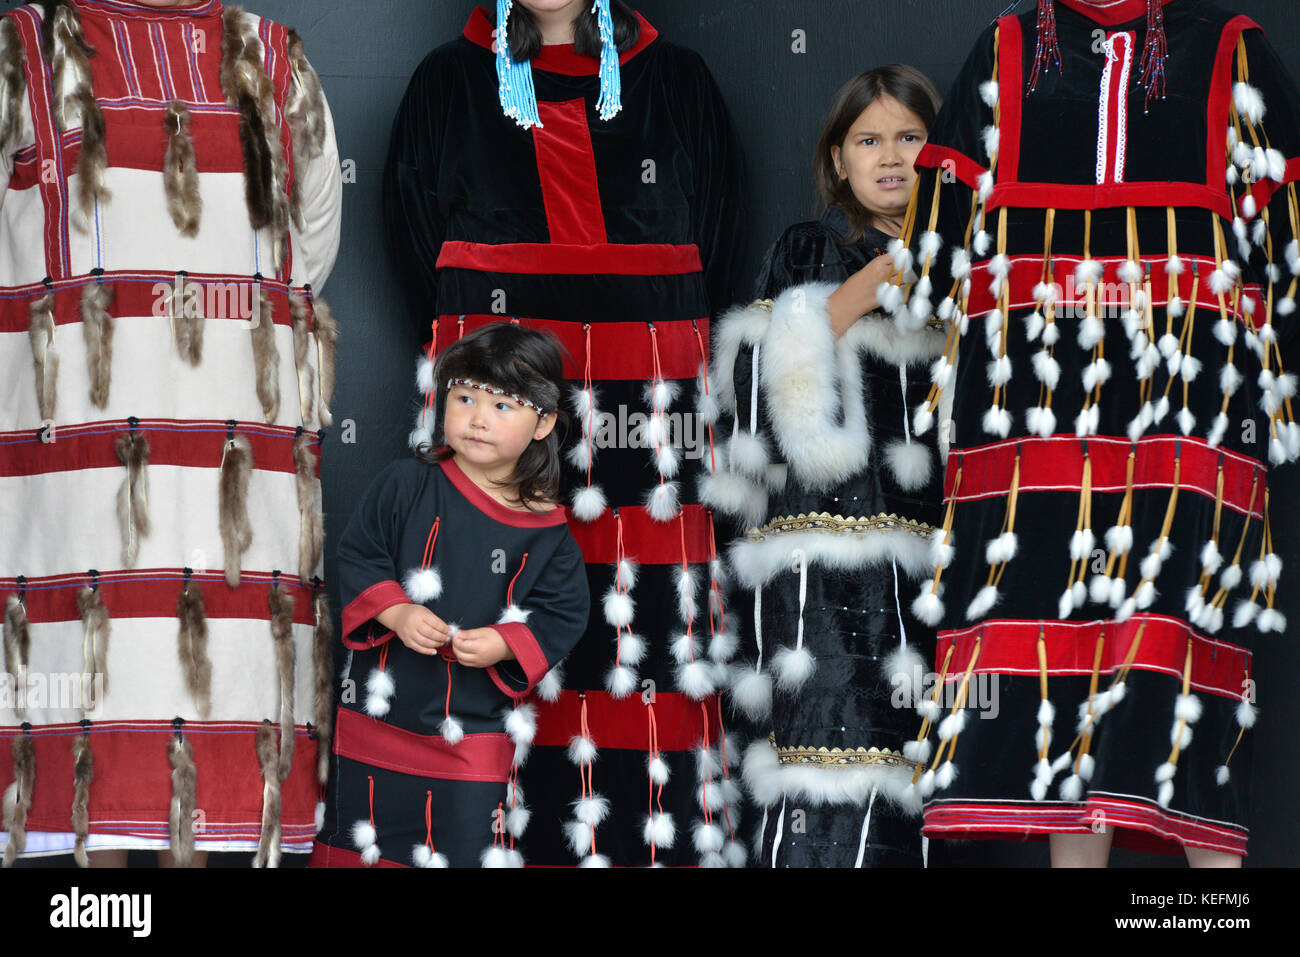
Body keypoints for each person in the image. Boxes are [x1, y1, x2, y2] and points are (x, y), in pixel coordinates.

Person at [885, 0, 1300, 866]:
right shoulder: (1006, 45)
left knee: (1187, 634)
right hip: (1031, 393)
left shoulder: (1229, 44)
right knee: (1051, 638)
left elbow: (1283, 223)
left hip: (1191, 398)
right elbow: (941, 234)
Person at [383, 0, 747, 866]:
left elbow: (719, 246)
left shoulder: (677, 80)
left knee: (645, 634)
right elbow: (414, 253)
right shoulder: (446, 82)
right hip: (499, 425)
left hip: (646, 427)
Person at [0, 0, 341, 867]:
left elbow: (313, 239)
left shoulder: (272, 57)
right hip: (78, 447)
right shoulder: (24, 49)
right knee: (94, 698)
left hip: (234, 442)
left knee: (211, 696)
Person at [702, 65, 948, 867]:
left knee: (912, 751)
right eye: (867, 140)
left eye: (910, 137)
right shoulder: (811, 248)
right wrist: (864, 291)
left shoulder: (967, 261)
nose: (891, 157)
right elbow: (757, 392)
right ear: (837, 160)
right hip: (820, 558)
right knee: (827, 739)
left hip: (927, 553)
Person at [310, 324, 590, 867]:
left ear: (545, 423)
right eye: (464, 399)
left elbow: (564, 612)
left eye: (502, 406)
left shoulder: (548, 531)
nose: (478, 419)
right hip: (376, 720)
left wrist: (506, 643)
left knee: (458, 847)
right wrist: (396, 610)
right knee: (357, 845)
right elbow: (359, 552)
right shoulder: (406, 484)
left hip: (471, 734)